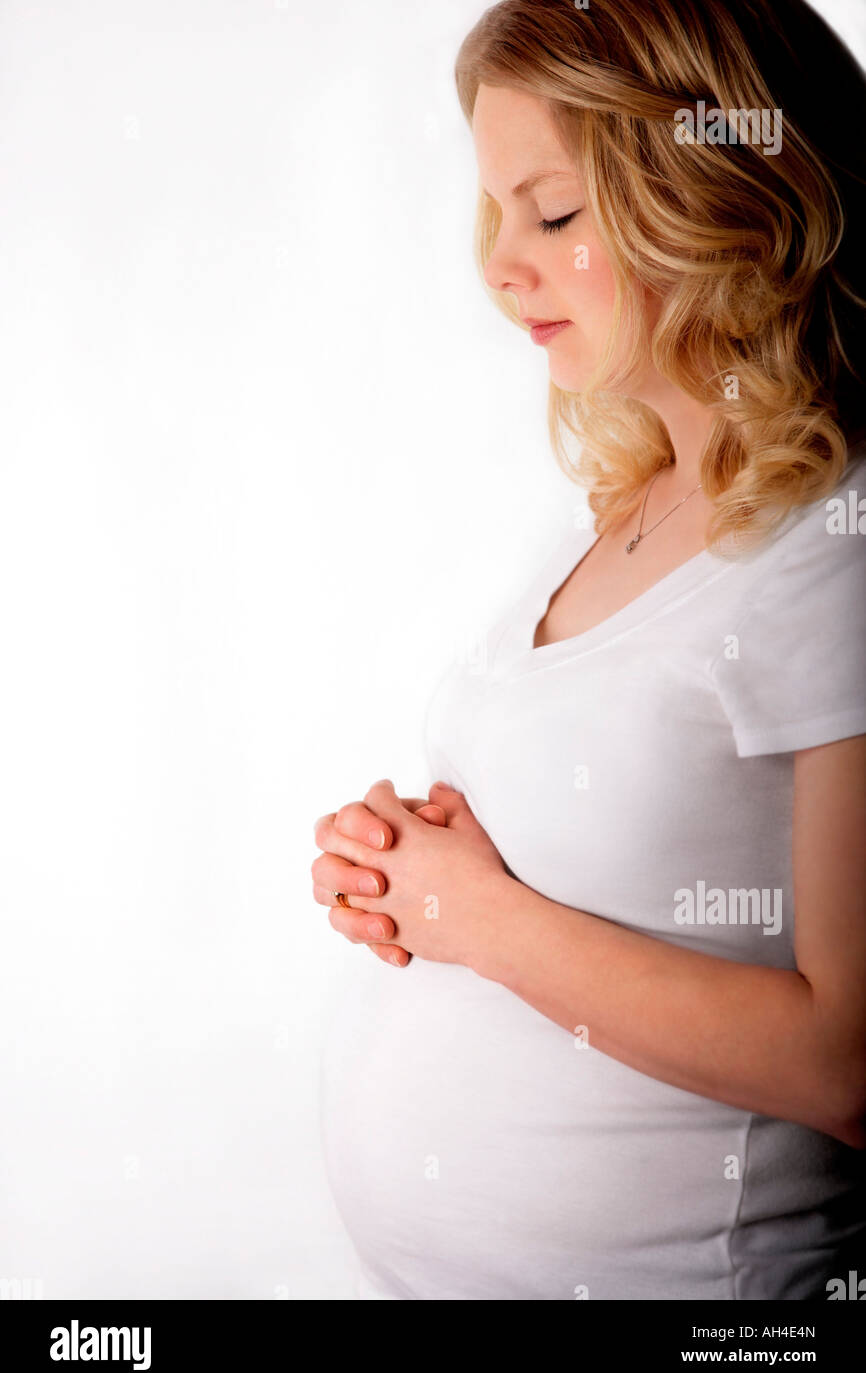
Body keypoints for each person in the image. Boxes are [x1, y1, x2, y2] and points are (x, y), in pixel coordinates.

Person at [311, 0, 866, 1300]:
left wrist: (472, 912)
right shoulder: (632, 506)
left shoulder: (829, 544)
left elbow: (844, 1064)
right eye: (496, 213)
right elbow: (607, 862)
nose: (501, 264)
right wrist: (405, 862)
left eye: (553, 214)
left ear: (725, 199)